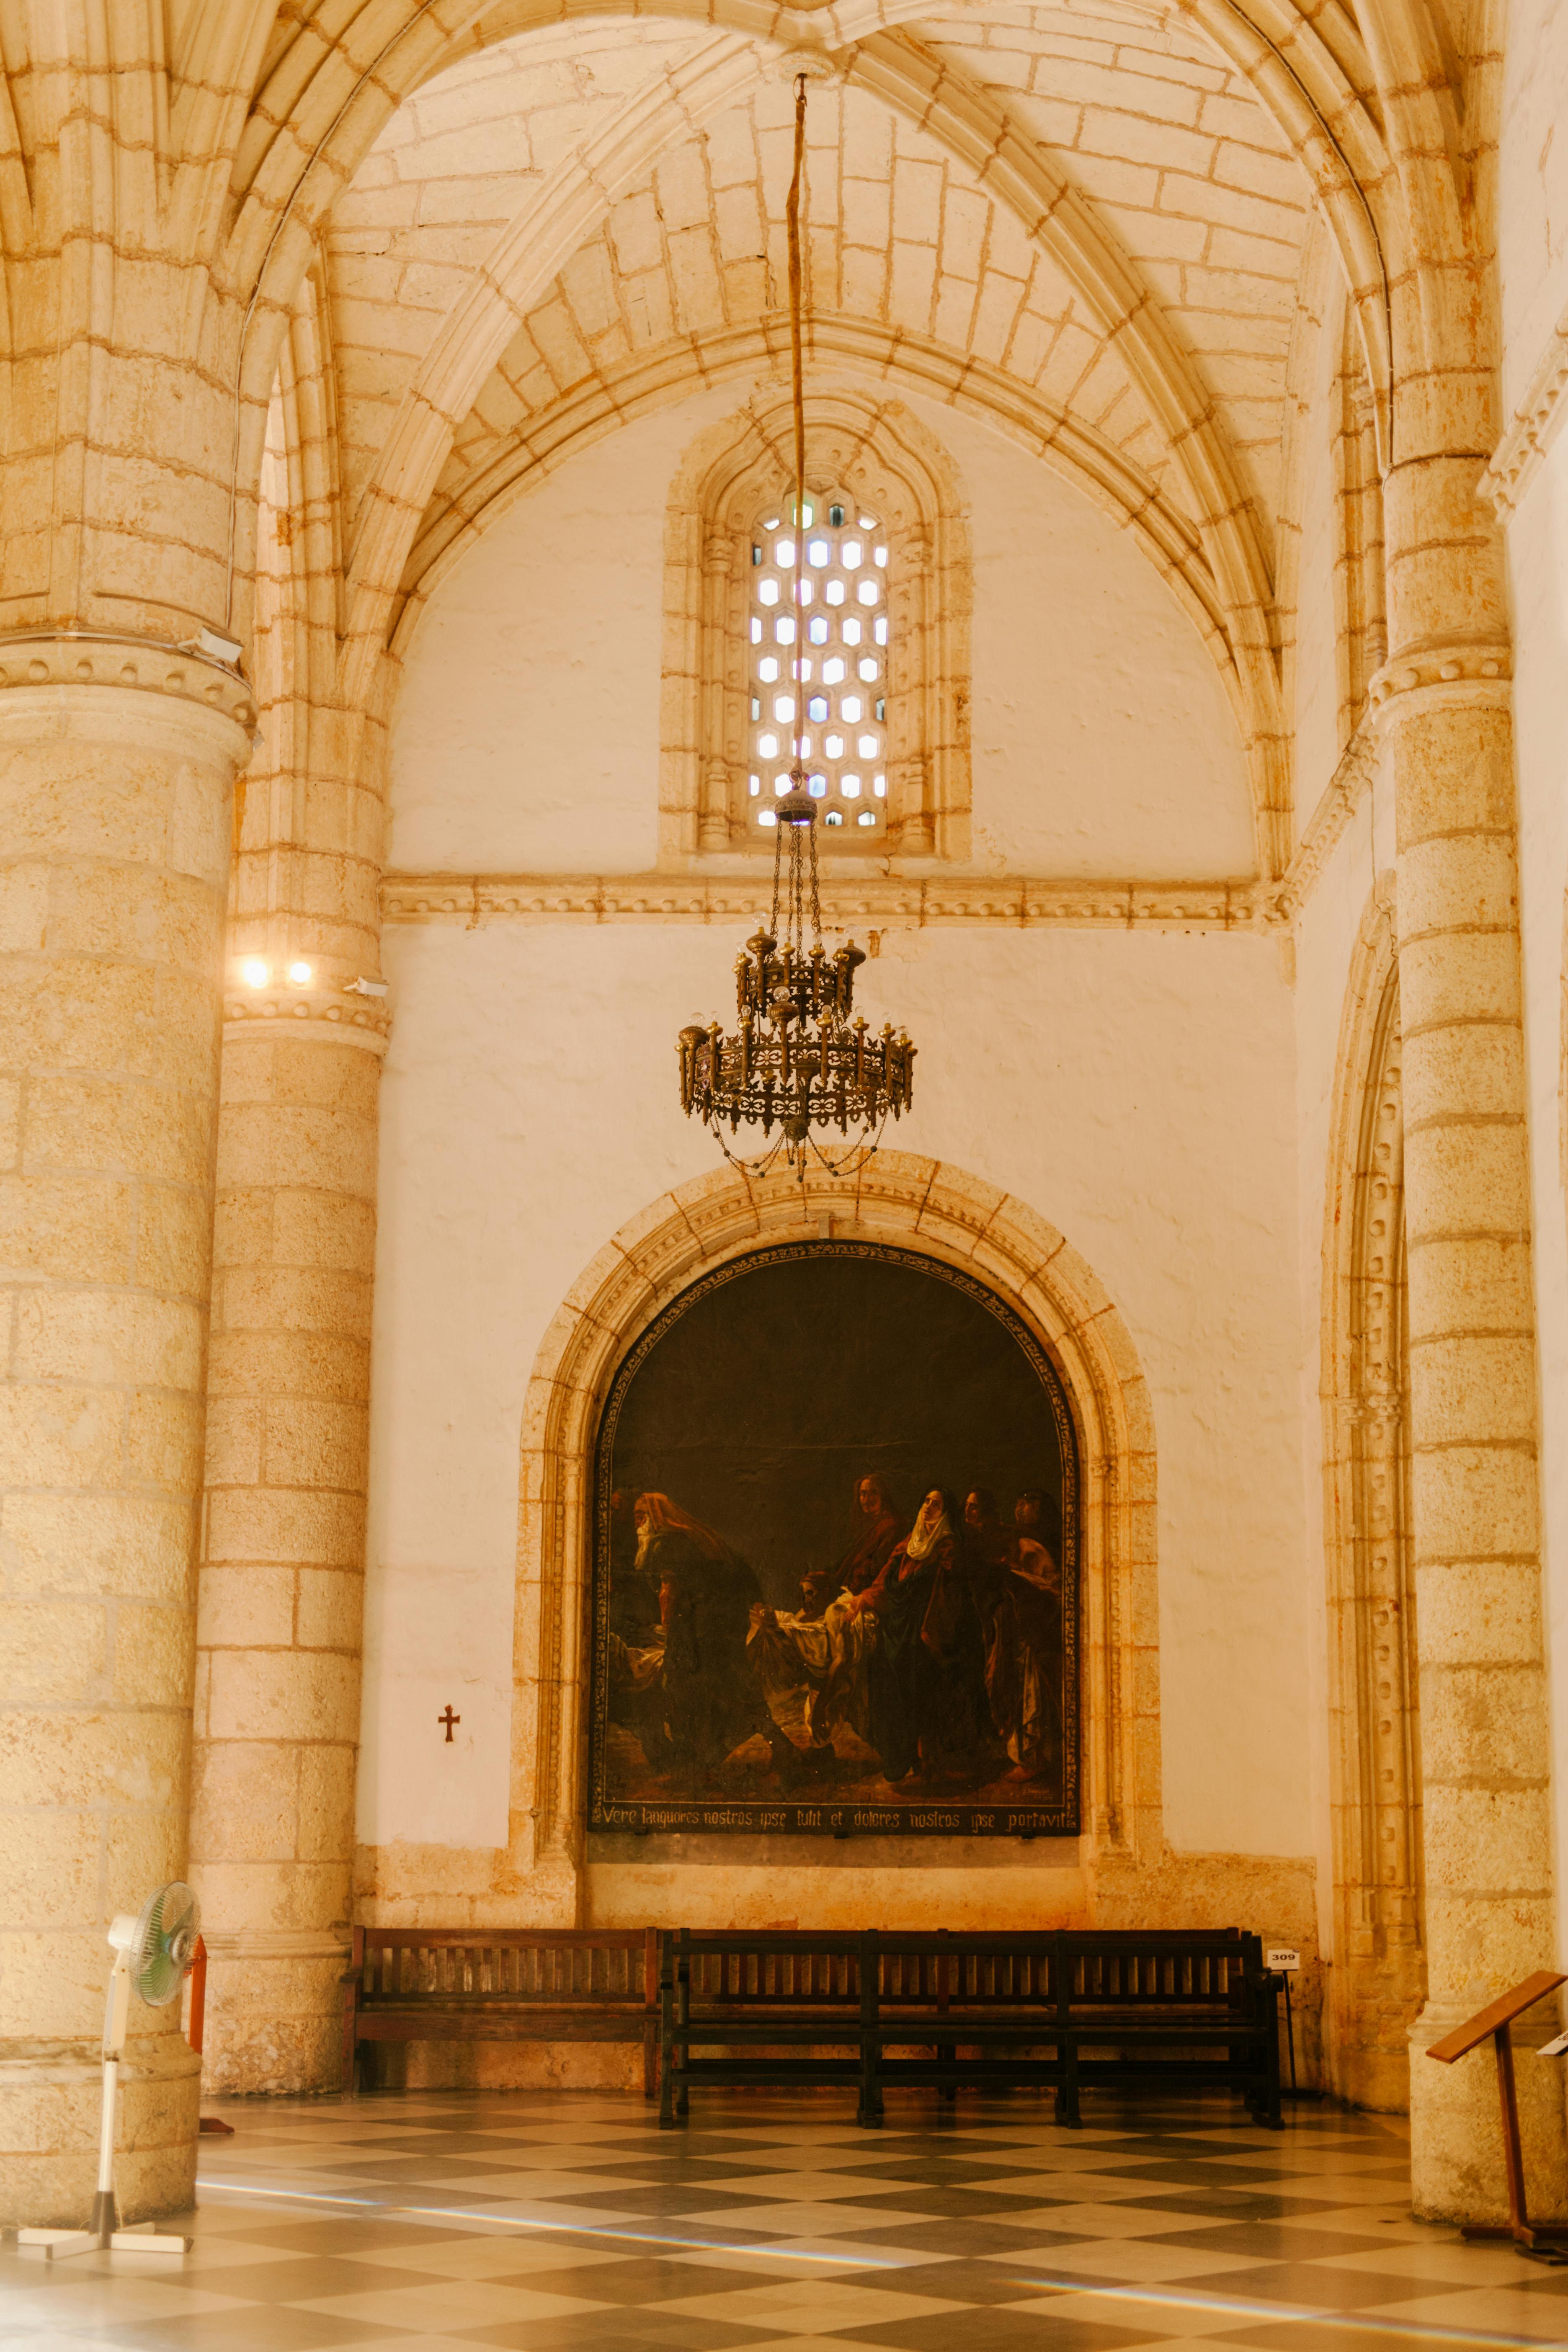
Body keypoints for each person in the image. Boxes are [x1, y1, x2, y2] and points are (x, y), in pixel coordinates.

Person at [848, 1487, 997, 1786]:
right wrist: (865, 1598)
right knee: (881, 1673)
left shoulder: (948, 1547)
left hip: (929, 1631)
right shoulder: (909, 1542)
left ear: (945, 1513)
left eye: (937, 1504)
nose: (929, 1506)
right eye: (926, 1501)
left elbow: (952, 1600)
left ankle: (928, 1758)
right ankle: (900, 1757)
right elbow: (884, 1582)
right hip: (897, 1628)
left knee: (920, 1682)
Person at [632, 1493, 782, 1777]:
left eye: (642, 1516)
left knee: (685, 1688)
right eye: (635, 1517)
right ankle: (779, 1747)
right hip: (726, 1624)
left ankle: (697, 1763)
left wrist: (667, 1628)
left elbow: (669, 1592)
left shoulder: (663, 1543)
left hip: (699, 1627)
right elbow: (743, 1572)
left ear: (656, 1516)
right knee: (733, 1686)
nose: (638, 1524)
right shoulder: (697, 1536)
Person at [835, 1474, 908, 1596]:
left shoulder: (892, 1526)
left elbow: (879, 1568)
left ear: (883, 1496)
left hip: (871, 1593)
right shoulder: (864, 1523)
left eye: (873, 1493)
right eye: (863, 1494)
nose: (867, 1499)